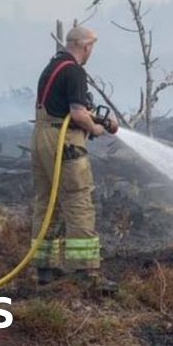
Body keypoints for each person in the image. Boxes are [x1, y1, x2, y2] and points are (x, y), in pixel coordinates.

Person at [30, 25, 119, 294]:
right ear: (86, 46)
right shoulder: (75, 71)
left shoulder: (53, 66)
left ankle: (44, 268)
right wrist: (96, 128)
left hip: (41, 137)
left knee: (48, 201)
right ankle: (85, 271)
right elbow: (78, 114)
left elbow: (61, 105)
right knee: (78, 200)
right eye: (92, 47)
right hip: (64, 141)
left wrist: (93, 117)